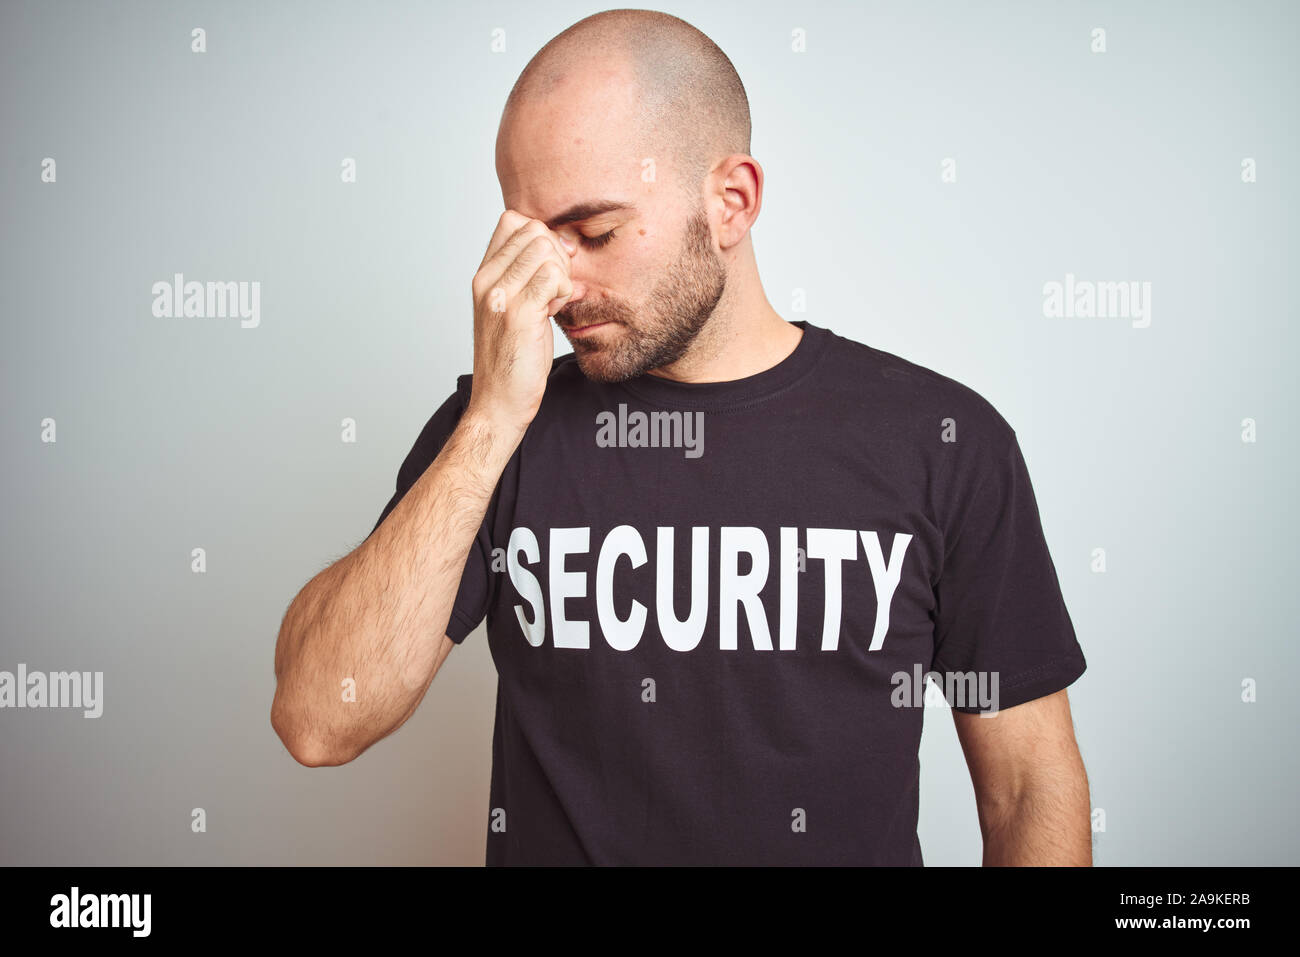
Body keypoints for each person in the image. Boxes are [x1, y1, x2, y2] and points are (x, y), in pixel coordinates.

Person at [271, 8, 1090, 866]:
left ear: (731, 200)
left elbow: (1028, 787)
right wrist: (488, 422)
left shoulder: (946, 444)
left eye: (594, 233)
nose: (556, 284)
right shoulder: (496, 432)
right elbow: (319, 719)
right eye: (531, 239)